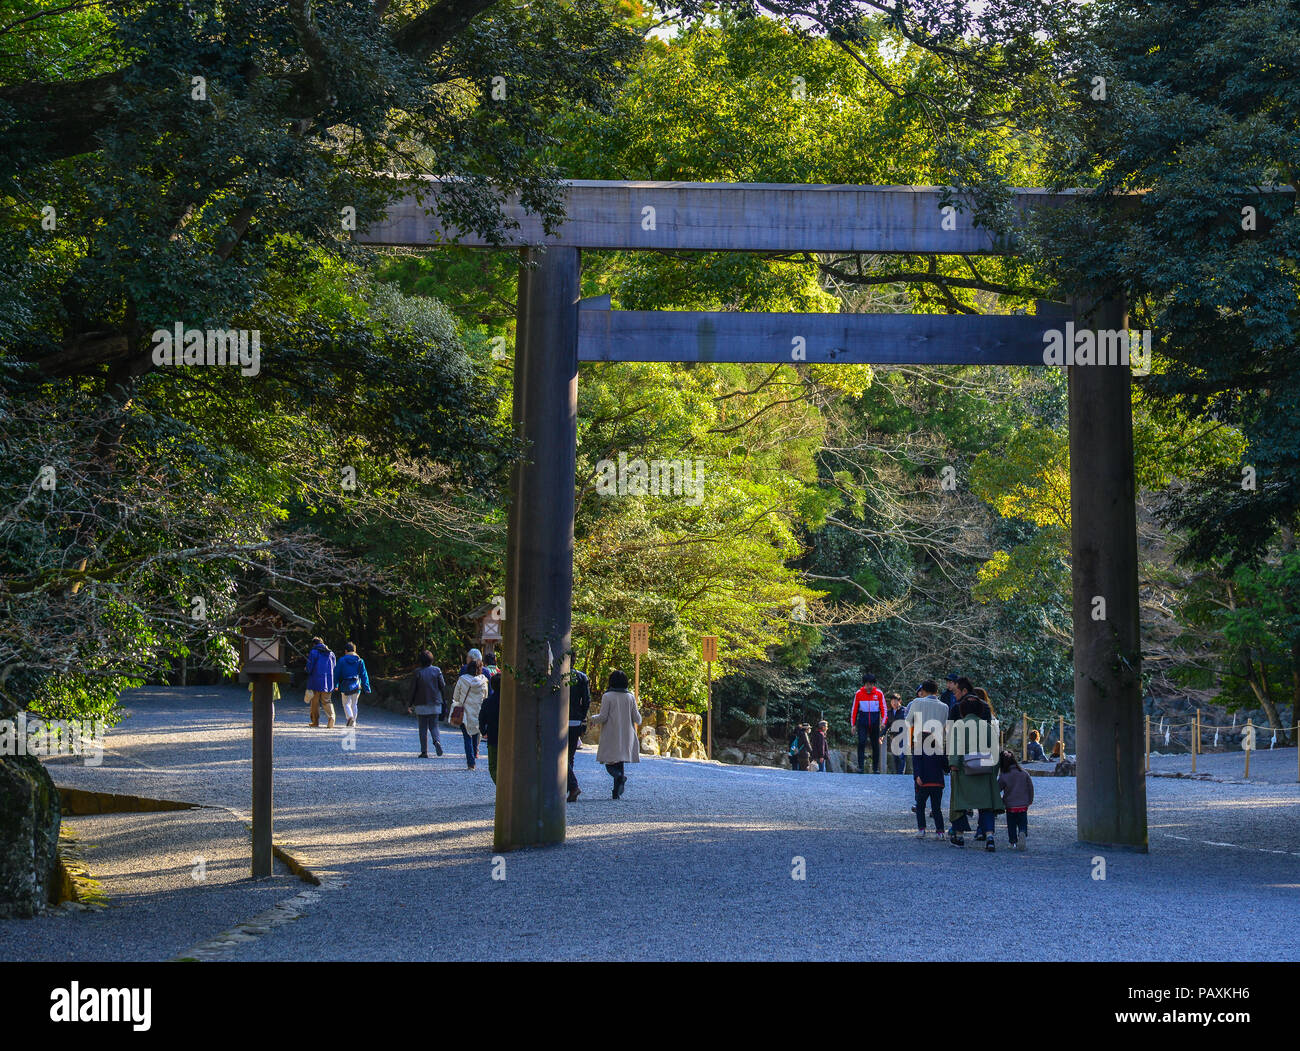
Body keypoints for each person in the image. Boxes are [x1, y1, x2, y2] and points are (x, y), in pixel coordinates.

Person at [946, 693, 1003, 850]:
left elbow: (955, 749)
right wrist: (993, 770)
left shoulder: (959, 725)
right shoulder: (988, 727)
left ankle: (959, 836)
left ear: (963, 710)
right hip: (985, 770)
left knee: (959, 804)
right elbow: (996, 751)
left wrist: (953, 764)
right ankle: (990, 836)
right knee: (986, 805)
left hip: (964, 770)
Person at [588, 668, 641, 798]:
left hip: (611, 733)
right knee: (620, 761)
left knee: (609, 762)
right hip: (627, 734)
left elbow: (603, 717)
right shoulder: (630, 697)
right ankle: (616, 792)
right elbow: (637, 718)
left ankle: (619, 777)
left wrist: (592, 718)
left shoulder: (607, 696)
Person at [451, 649, 490, 770]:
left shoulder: (462, 679)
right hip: (478, 711)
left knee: (467, 736)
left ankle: (471, 762)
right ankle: (474, 754)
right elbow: (486, 697)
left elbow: (455, 697)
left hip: (465, 712)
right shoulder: (484, 681)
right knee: (475, 734)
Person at [406, 650, 446, 757]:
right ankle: (436, 741)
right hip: (435, 702)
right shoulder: (437, 670)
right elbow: (443, 685)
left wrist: (409, 704)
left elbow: (412, 689)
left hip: (421, 704)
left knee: (422, 728)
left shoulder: (417, 672)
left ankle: (424, 752)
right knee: (434, 725)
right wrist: (443, 699)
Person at [913, 728, 949, 839]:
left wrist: (917, 776)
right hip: (937, 783)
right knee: (936, 808)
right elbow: (946, 768)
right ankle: (940, 832)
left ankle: (922, 829)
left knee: (920, 806)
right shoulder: (938, 751)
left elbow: (916, 764)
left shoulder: (918, 750)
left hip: (924, 782)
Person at [998, 749, 1034, 851]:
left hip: (1010, 805)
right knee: (1023, 821)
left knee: (1011, 824)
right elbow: (1030, 788)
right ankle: (1022, 832)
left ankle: (1012, 841)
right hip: (1023, 804)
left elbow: (998, 789)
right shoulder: (1024, 773)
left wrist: (1000, 801)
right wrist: (1030, 799)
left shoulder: (1004, 776)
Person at [850, 672, 887, 773]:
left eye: (871, 684)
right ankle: (860, 767)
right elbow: (854, 709)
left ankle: (875, 768)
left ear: (873, 684)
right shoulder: (859, 693)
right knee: (861, 742)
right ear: (864, 684)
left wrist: (883, 722)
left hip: (875, 722)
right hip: (863, 721)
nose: (869, 686)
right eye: (867, 684)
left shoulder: (879, 693)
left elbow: (884, 708)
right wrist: (853, 725)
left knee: (875, 745)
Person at [567, 669, 592, 802]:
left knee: (559, 756)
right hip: (576, 720)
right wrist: (582, 717)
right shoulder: (581, 677)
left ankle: (572, 786)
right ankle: (567, 788)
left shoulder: (557, 674)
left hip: (559, 720)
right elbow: (586, 700)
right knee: (569, 756)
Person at [334, 642, 371, 727]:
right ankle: (353, 722)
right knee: (354, 704)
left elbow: (337, 674)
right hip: (357, 685)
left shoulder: (342, 660)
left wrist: (335, 685)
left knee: (346, 703)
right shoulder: (360, 660)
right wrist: (366, 687)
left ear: (346, 651)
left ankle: (350, 717)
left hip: (345, 685)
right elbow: (364, 674)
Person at [304, 636, 336, 728]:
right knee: (327, 701)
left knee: (315, 702)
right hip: (328, 681)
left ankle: (315, 722)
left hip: (315, 681)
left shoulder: (314, 652)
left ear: (314, 644)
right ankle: (331, 717)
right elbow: (334, 667)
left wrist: (307, 669)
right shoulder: (331, 653)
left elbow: (310, 667)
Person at [478, 669, 502, 784]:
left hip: (493, 736)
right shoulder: (510, 702)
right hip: (509, 737)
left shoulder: (487, 702)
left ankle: (501, 786)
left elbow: (481, 719)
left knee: (493, 765)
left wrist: (483, 731)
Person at [885, 693, 908, 773]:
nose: (894, 703)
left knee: (901, 756)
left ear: (900, 701)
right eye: (892, 701)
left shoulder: (905, 710)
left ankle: (900, 773)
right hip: (893, 737)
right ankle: (897, 774)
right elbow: (887, 725)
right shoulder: (889, 712)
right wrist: (882, 734)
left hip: (903, 736)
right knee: (895, 756)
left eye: (895, 701)